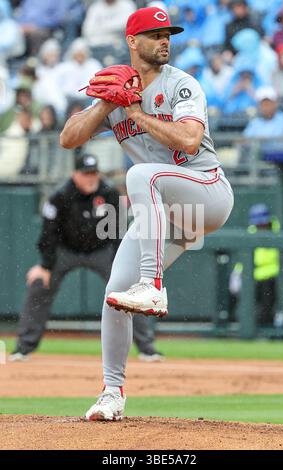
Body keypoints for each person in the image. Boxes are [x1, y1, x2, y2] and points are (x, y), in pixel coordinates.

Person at [60, 6, 234, 421]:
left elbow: (191, 141)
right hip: (168, 215)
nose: (165, 41)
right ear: (132, 42)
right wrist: (106, 106)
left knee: (143, 175)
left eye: (168, 34)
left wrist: (136, 113)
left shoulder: (182, 84)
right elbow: (69, 138)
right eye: (155, 35)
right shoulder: (119, 91)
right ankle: (112, 393)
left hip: (206, 193)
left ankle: (152, 285)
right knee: (115, 296)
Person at [9, 154, 163, 363]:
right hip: (66, 251)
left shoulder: (108, 193)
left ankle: (147, 348)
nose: (91, 178)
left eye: (94, 173)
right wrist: (45, 265)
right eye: (86, 174)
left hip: (101, 251)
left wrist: (123, 265)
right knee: (39, 284)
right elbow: (49, 233)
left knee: (130, 289)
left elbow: (120, 233)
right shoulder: (61, 195)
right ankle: (24, 348)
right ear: (75, 175)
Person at [229, 204, 280, 326]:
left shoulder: (277, 230)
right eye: (258, 224)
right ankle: (230, 327)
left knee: (266, 301)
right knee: (232, 294)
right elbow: (244, 260)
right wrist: (237, 274)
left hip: (269, 277)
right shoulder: (251, 231)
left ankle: (265, 329)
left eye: (263, 223)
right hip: (251, 275)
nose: (260, 226)